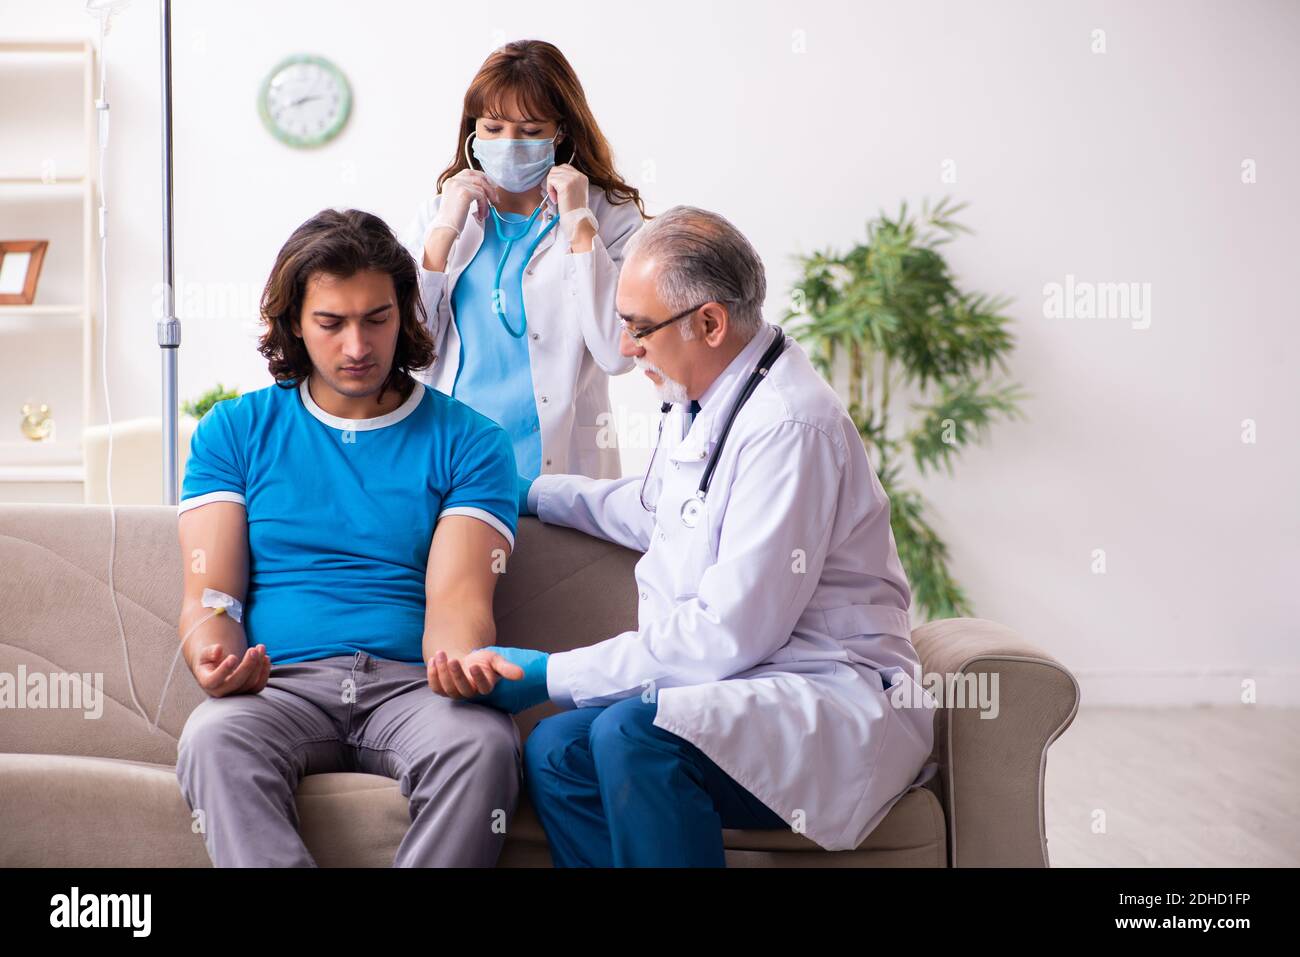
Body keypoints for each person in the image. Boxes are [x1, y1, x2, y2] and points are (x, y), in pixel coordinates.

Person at [427, 206, 939, 867]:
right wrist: (526, 489)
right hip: (750, 688)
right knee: (555, 752)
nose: (628, 347)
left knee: (633, 736)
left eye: (639, 328)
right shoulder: (703, 399)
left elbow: (729, 634)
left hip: (826, 696)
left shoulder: (789, 427)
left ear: (710, 322)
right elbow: (660, 512)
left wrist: (552, 672)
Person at [174, 208, 524, 867]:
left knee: (482, 745)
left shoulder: (473, 442)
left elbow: (458, 600)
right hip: (277, 683)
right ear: (295, 325)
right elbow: (213, 591)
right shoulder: (234, 430)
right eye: (331, 323)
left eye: (377, 318)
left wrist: (457, 663)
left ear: (406, 314)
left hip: (412, 685)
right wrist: (216, 655)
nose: (357, 346)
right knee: (213, 738)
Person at [403, 39, 647, 482]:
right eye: (493, 128)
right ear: (472, 131)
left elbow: (618, 352)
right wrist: (442, 234)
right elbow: (411, 352)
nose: (509, 143)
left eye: (531, 130)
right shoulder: (441, 213)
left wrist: (578, 222)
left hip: (563, 473)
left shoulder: (609, 214)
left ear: (562, 132)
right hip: (454, 465)